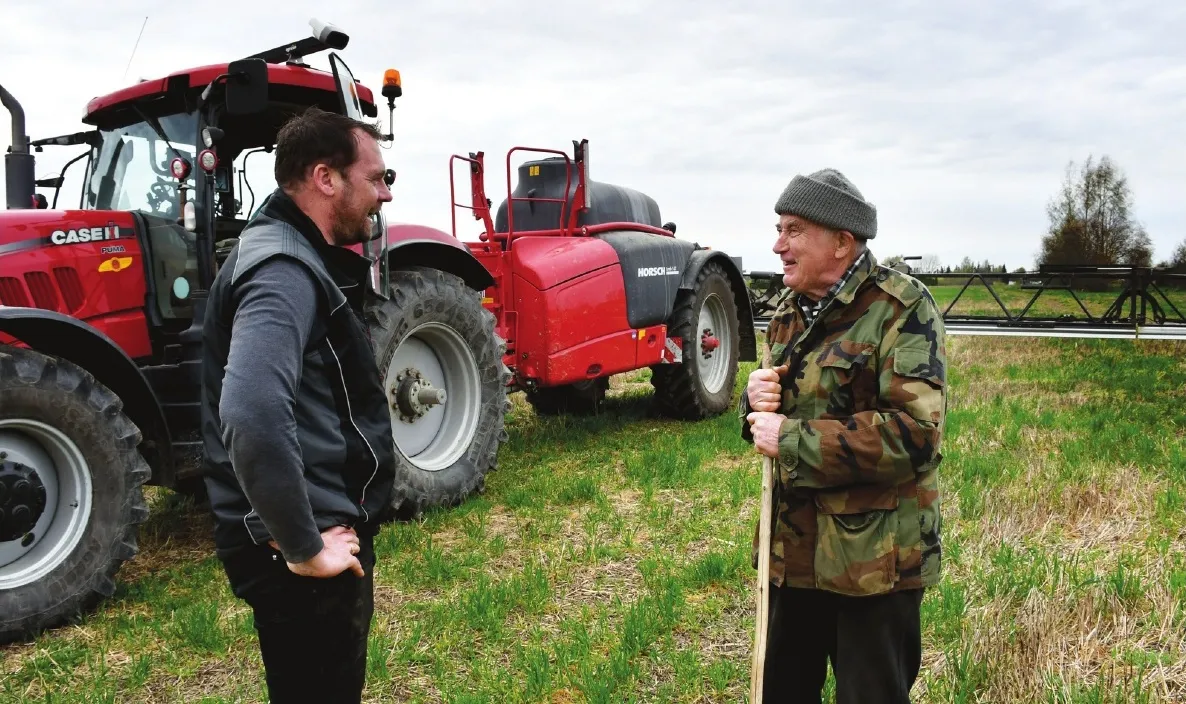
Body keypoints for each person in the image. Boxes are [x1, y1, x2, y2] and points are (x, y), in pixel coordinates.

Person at [200, 107, 397, 703]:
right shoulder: (283, 267)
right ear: (325, 177)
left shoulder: (287, 251)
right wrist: (303, 546)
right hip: (304, 546)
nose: (384, 195)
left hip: (304, 526)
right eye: (378, 178)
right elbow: (252, 413)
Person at [741, 168, 948, 703]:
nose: (778, 245)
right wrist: (754, 404)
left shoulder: (900, 308)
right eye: (779, 229)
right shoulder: (787, 316)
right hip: (796, 554)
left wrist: (789, 438)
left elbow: (915, 434)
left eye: (793, 230)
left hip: (874, 564)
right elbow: (774, 424)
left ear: (841, 241)